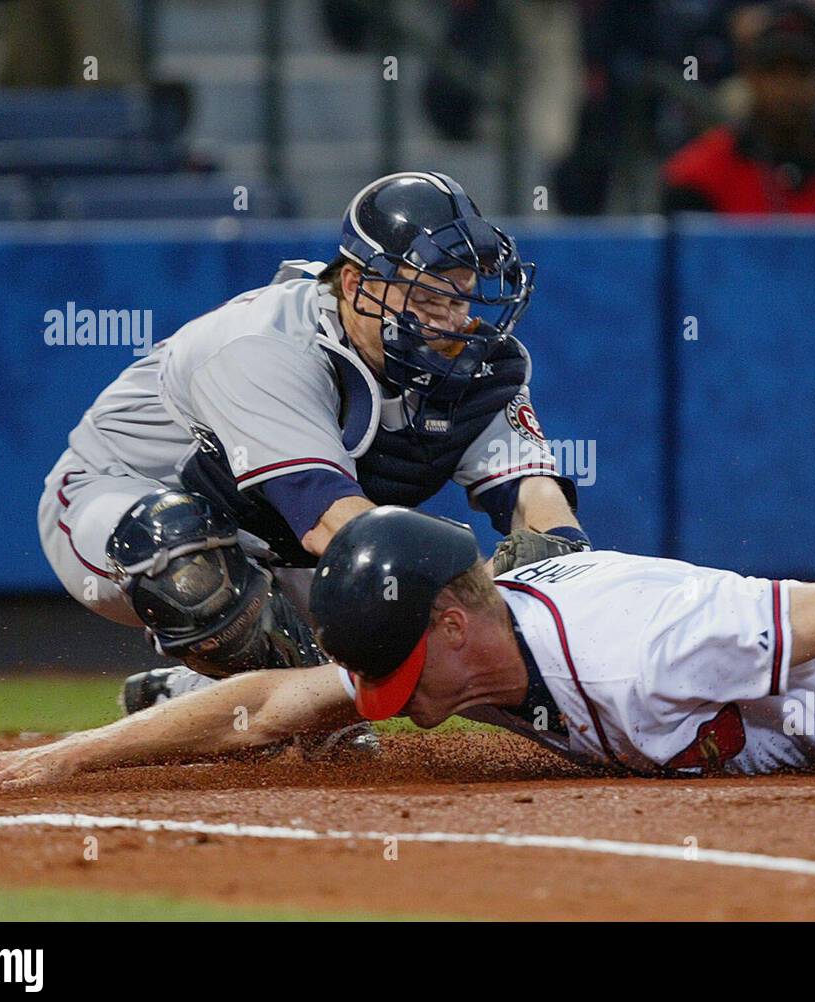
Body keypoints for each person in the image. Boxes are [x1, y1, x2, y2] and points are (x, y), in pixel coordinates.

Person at [0, 506, 815, 788]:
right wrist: (66, 761)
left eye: (394, 673)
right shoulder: (472, 652)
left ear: (447, 619)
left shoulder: (630, 644)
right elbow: (269, 707)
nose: (386, 703)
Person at [36, 171, 587, 726]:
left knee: (470, 649)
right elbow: (335, 525)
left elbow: (531, 490)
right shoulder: (265, 347)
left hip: (280, 539)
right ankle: (269, 707)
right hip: (117, 501)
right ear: (355, 285)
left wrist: (556, 551)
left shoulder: (480, 363)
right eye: (427, 295)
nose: (450, 318)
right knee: (187, 549)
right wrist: (468, 588)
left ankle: (191, 695)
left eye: (463, 292)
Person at [663, 3, 815, 215]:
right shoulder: (698, 177)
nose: (786, 87)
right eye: (774, 72)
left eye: (800, 73)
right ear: (751, 78)